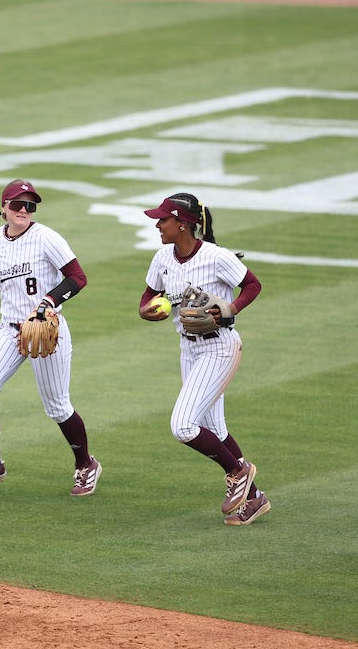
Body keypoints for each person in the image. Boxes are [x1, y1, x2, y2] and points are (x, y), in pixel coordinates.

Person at [0, 180, 101, 496]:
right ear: (4, 207)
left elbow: (78, 277)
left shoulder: (46, 238)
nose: (24, 210)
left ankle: (86, 464)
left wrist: (49, 301)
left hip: (45, 330)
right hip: (9, 330)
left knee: (57, 407)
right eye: (17, 204)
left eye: (30, 205)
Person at [137, 192, 267, 525]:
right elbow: (149, 295)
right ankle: (255, 499)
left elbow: (252, 285)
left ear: (182, 223)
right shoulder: (163, 258)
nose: (157, 225)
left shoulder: (216, 257)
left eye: (163, 219)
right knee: (214, 428)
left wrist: (230, 309)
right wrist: (146, 311)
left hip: (219, 347)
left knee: (183, 426)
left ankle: (238, 473)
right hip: (189, 349)